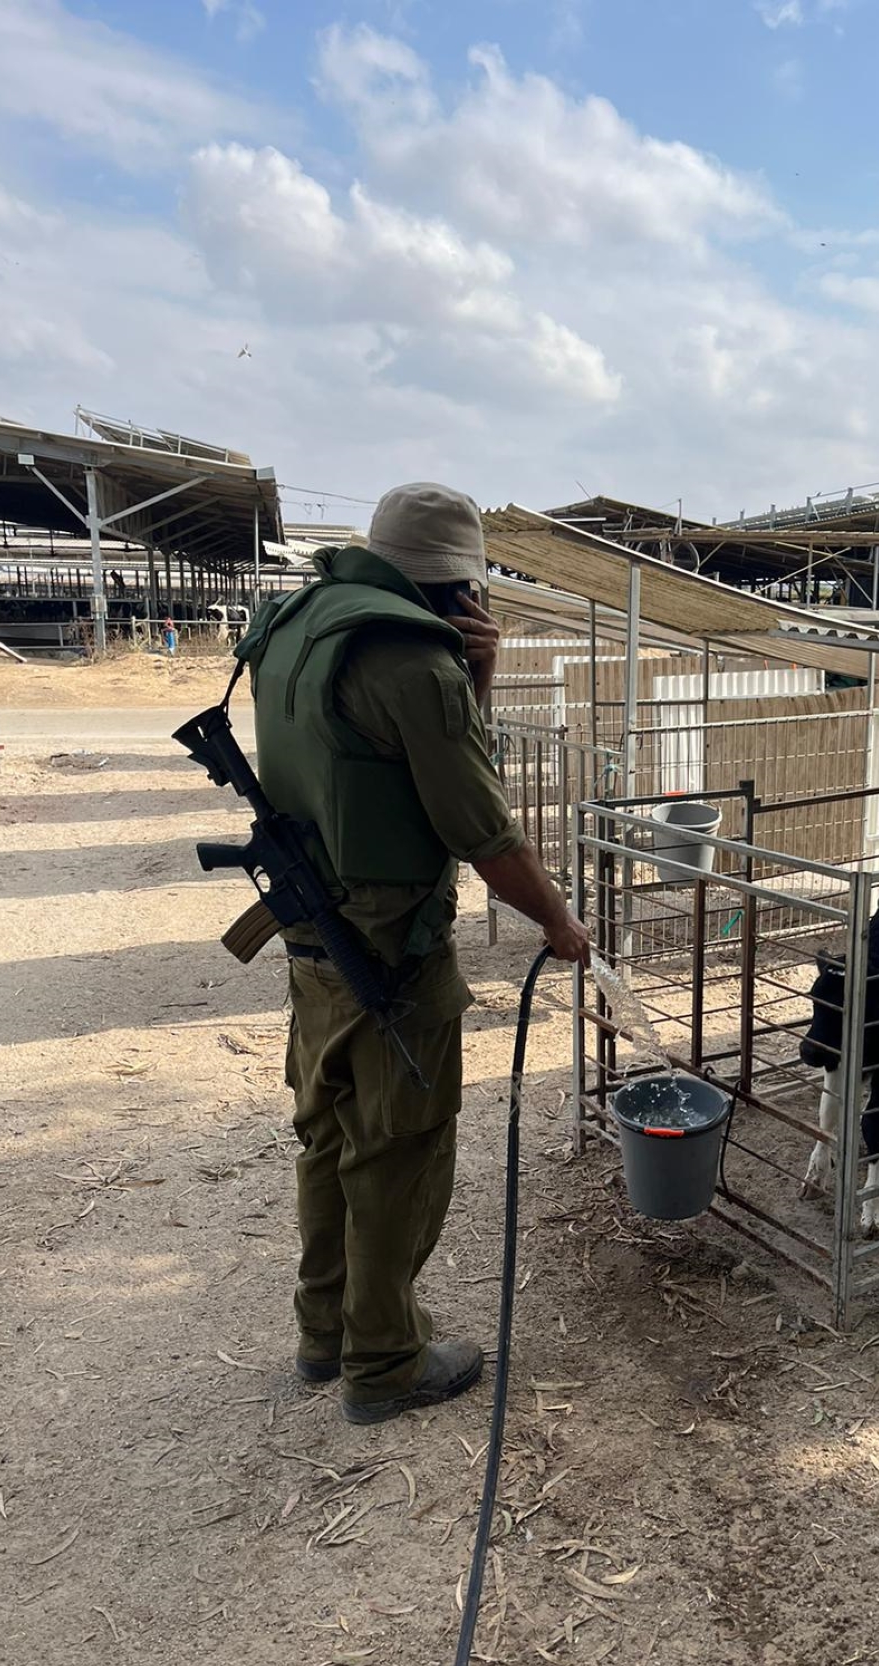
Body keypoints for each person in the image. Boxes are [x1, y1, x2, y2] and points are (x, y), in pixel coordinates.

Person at [238, 483, 590, 1425]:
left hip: (312, 936)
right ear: (458, 585)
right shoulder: (412, 661)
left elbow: (384, 766)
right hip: (393, 953)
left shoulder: (294, 623)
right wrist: (559, 924)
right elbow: (483, 832)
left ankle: (325, 1334)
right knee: (399, 1148)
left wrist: (473, 681)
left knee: (329, 1132)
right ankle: (387, 1360)